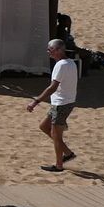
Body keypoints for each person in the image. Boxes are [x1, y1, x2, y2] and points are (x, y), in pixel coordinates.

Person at [27, 39, 78, 172]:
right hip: (65, 102)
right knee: (44, 126)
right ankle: (68, 153)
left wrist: (36, 101)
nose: (48, 52)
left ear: (59, 50)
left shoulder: (61, 65)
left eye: (51, 50)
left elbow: (52, 87)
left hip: (61, 104)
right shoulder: (71, 63)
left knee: (56, 135)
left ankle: (59, 165)